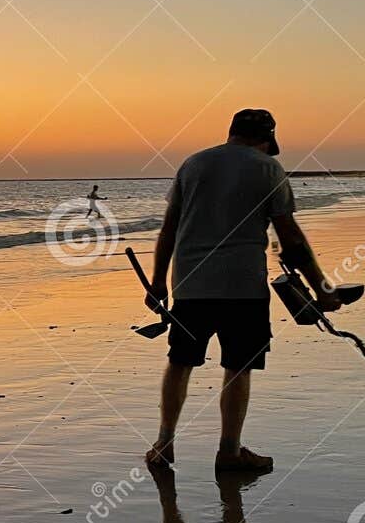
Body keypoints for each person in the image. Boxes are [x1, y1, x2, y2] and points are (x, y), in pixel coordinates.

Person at [140, 109, 340, 474]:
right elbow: (290, 239)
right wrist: (321, 288)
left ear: (231, 133)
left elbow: (168, 230)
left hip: (190, 286)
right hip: (243, 288)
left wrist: (156, 283)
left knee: (180, 361)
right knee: (238, 366)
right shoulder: (268, 169)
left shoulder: (193, 164)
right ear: (265, 139)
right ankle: (229, 452)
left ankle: (164, 442)